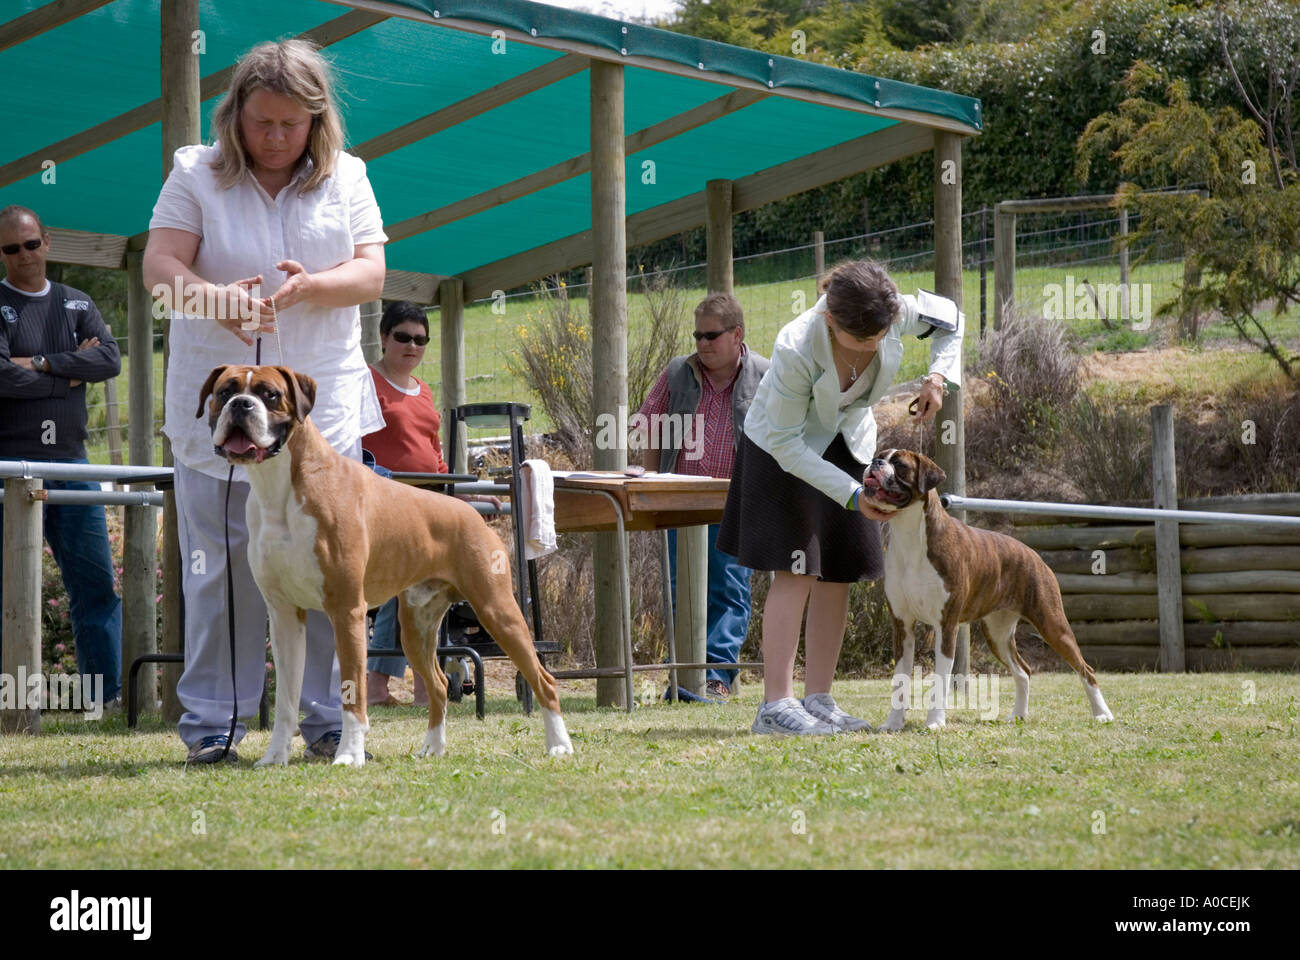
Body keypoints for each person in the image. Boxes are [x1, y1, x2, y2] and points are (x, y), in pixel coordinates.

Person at [143, 39, 387, 765]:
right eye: (261, 123)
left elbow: (373, 273)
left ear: (317, 121)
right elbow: (160, 268)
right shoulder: (195, 171)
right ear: (234, 117)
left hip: (319, 413)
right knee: (217, 571)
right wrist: (217, 301)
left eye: (291, 124)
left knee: (329, 572)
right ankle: (214, 726)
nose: (276, 138)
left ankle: (326, 721)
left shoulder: (349, 176)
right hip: (221, 414)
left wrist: (312, 285)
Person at [717, 259, 963, 735]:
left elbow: (952, 318)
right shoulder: (795, 346)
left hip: (849, 442)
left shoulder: (893, 311)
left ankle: (818, 698)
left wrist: (937, 378)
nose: (875, 345)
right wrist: (853, 495)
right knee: (798, 567)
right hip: (780, 447)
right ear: (831, 319)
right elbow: (788, 443)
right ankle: (775, 706)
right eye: (863, 340)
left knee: (839, 571)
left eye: (882, 335)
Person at [0, 205, 123, 711]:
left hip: (74, 467)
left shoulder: (76, 302)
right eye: (11, 248)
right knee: (7, 591)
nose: (24, 255)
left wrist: (45, 364)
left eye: (31, 244)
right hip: (9, 470)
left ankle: (105, 698)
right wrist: (73, 373)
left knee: (94, 585)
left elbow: (110, 359)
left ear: (47, 242)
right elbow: (2, 377)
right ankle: (10, 701)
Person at [636, 292, 768, 700]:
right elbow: (649, 423)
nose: (702, 344)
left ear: (737, 334)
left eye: (711, 335)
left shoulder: (766, 374)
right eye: (697, 335)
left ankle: (716, 677)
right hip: (681, 501)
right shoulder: (678, 372)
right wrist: (654, 483)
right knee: (682, 589)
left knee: (728, 588)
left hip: (738, 501)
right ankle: (686, 677)